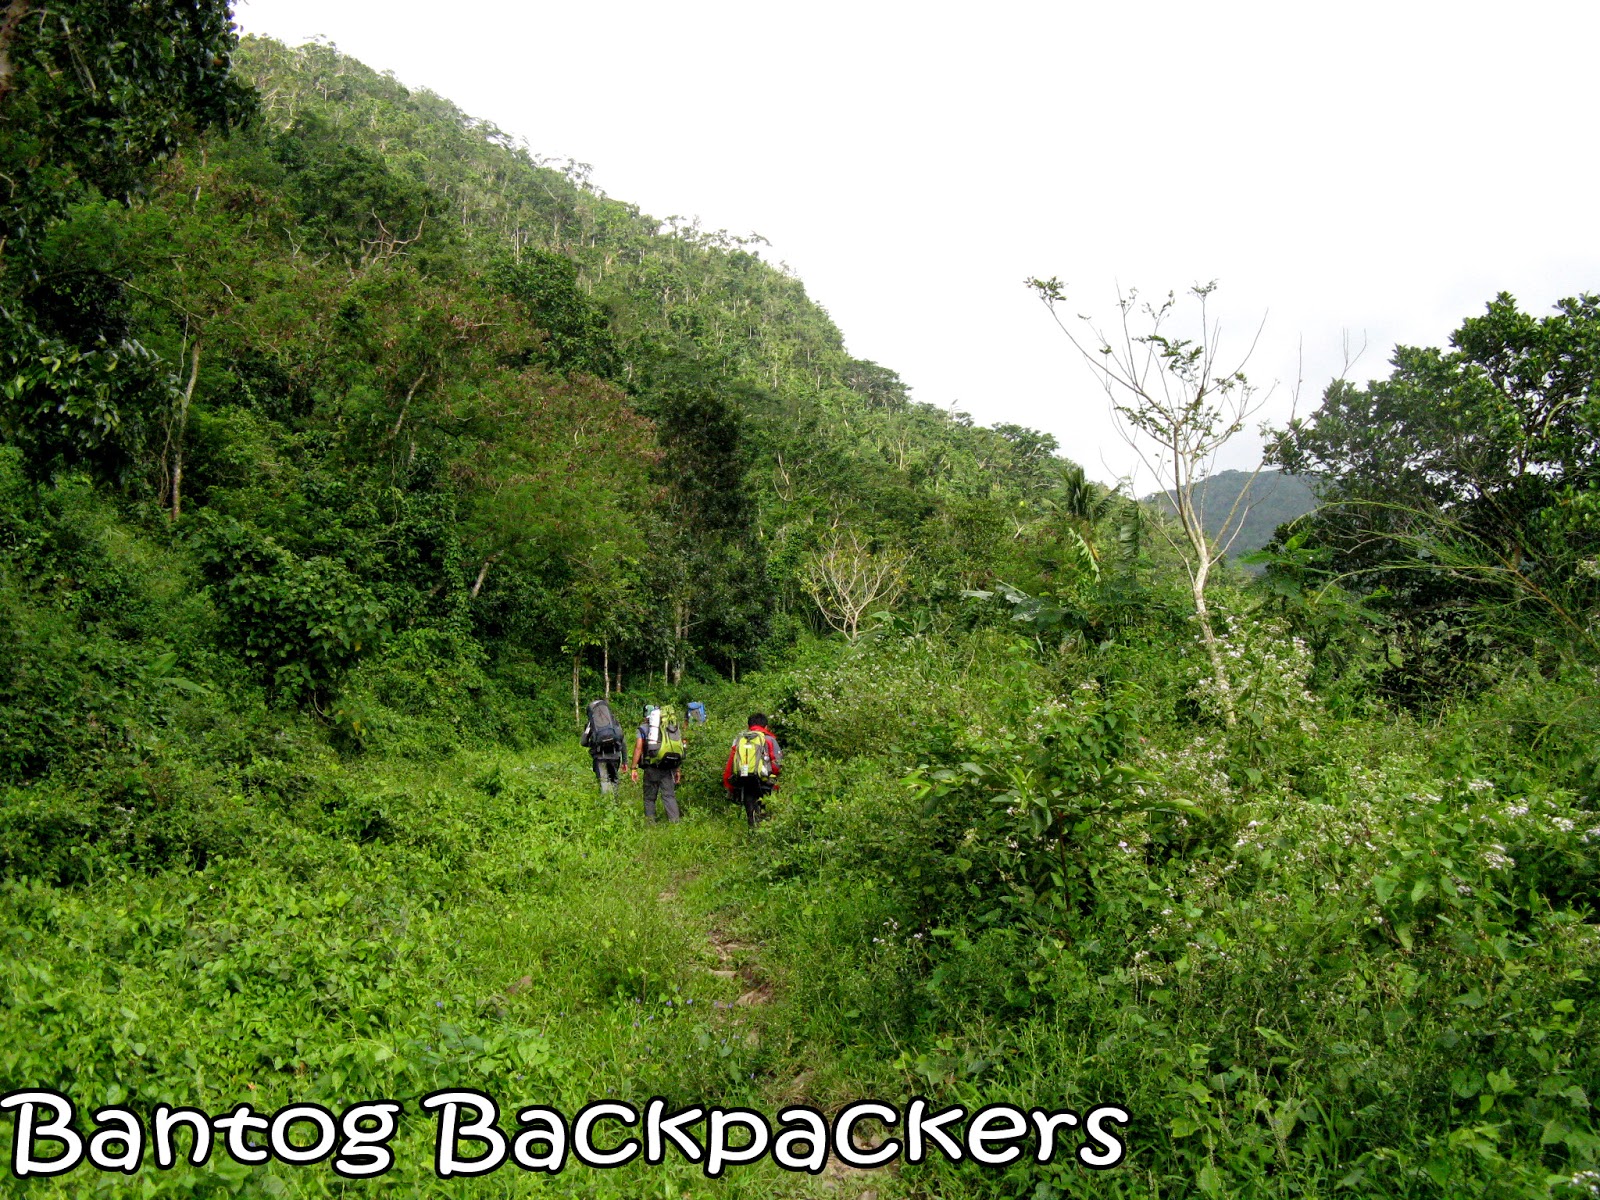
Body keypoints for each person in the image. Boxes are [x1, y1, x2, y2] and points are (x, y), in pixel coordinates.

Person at [723, 713, 782, 830]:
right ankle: (765, 837)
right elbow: (777, 764)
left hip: (746, 779)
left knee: (751, 812)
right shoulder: (769, 739)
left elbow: (731, 763)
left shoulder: (740, 740)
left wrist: (729, 785)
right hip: (765, 781)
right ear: (766, 726)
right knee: (766, 811)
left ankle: (752, 834)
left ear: (748, 725)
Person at [630, 704, 682, 823]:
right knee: (669, 796)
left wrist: (633, 768)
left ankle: (650, 824)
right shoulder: (669, 728)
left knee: (649, 798)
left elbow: (638, 748)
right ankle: (675, 823)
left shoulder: (643, 728)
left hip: (651, 768)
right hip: (668, 767)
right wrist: (677, 769)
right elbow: (676, 748)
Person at [579, 698, 625, 795]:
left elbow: (583, 742)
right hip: (615, 755)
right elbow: (622, 740)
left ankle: (606, 803)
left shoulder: (591, 724)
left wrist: (593, 744)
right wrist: (625, 761)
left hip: (600, 756)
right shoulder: (613, 722)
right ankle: (615, 803)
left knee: (604, 781)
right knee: (614, 780)